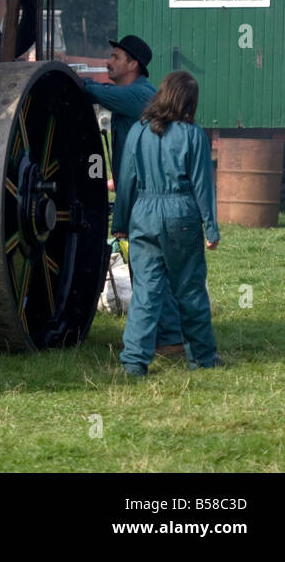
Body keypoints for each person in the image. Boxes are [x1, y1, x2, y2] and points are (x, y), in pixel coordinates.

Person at [111, 71, 222, 376]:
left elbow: (126, 181)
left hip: (143, 215)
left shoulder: (138, 131)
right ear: (189, 101)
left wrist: (119, 222)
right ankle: (202, 358)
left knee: (146, 292)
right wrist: (211, 229)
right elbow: (202, 185)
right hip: (181, 215)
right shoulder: (192, 134)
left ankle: (134, 362)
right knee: (189, 289)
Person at [83, 34, 184, 354]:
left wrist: (71, 77)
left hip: (148, 196)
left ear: (133, 64)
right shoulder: (137, 94)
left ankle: (169, 339)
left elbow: (94, 91)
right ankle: (167, 336)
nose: (108, 62)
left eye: (115, 57)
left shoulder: (139, 95)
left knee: (150, 269)